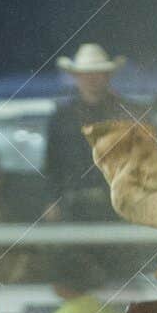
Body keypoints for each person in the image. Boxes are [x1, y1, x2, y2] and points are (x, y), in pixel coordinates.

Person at [43, 44, 137, 222]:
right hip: (72, 206)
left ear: (108, 76)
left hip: (117, 207)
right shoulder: (61, 118)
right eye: (85, 74)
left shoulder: (127, 114)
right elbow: (52, 164)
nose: (92, 79)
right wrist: (51, 200)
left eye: (98, 73)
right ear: (76, 77)